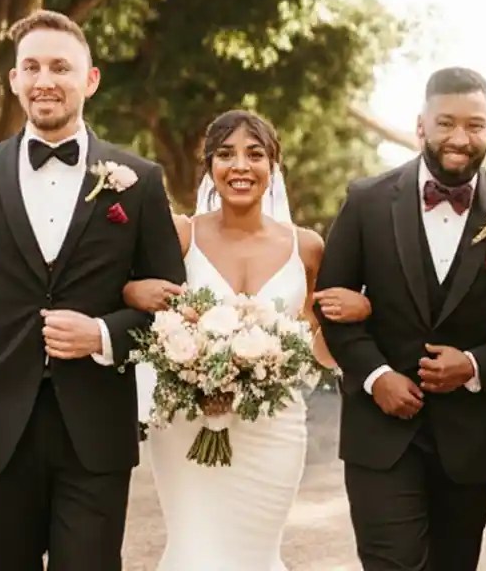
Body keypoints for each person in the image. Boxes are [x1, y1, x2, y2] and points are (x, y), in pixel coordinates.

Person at [0, 9, 186, 570]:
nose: (45, 80)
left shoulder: (139, 180)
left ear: (90, 79)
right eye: (31, 67)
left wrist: (104, 335)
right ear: (13, 80)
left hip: (95, 428)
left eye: (61, 67)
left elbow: (172, 312)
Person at [316, 67, 486, 570]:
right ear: (421, 126)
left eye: (475, 125)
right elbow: (333, 304)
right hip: (380, 431)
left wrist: (475, 367)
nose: (460, 138)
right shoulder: (367, 200)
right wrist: (377, 377)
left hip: (470, 437)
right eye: (446, 123)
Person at [121, 110, 369, 570]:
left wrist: (359, 310)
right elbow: (131, 294)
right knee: (194, 546)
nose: (240, 166)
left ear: (273, 167)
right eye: (225, 155)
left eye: (255, 155)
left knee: (255, 551)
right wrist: (136, 292)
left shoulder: (308, 247)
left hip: (273, 427)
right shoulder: (180, 235)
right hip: (186, 425)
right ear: (209, 168)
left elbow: (321, 341)